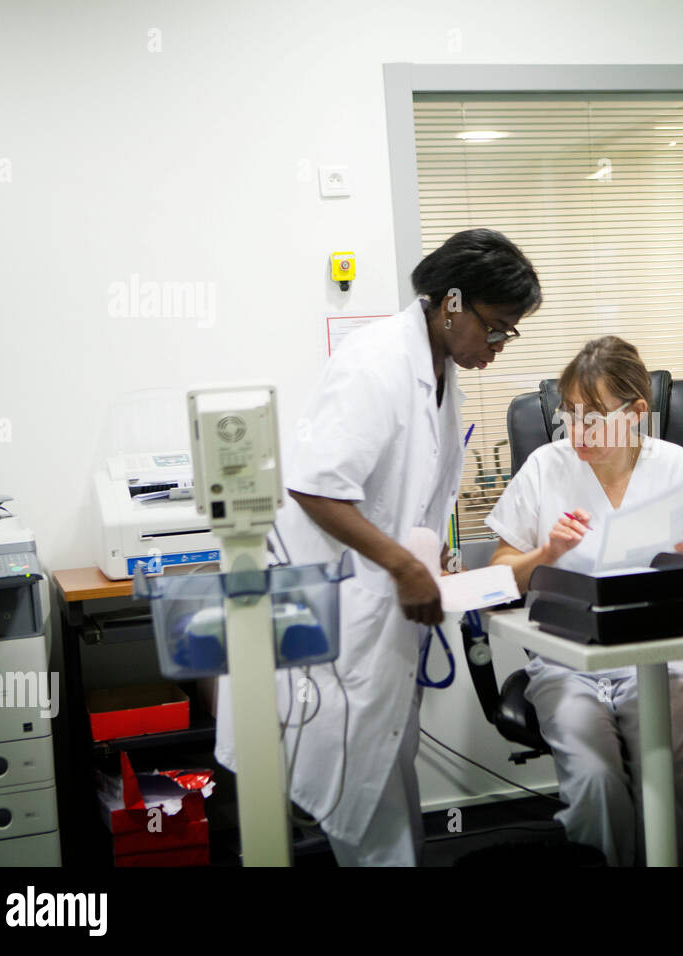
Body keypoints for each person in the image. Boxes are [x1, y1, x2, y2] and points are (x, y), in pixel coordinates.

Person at [215, 228, 541, 866]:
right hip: (335, 619)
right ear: (452, 303)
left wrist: (431, 561)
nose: (497, 349)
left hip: (375, 620)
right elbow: (314, 487)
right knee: (362, 795)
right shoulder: (376, 364)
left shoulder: (437, 369)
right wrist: (401, 566)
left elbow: (408, 499)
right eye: (496, 329)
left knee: (384, 789)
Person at [486, 336, 683, 865]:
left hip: (659, 655)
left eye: (593, 417)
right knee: (597, 782)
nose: (577, 432)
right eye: (569, 415)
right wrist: (546, 552)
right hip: (567, 663)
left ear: (637, 413)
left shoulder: (672, 465)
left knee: (661, 780)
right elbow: (499, 579)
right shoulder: (545, 468)